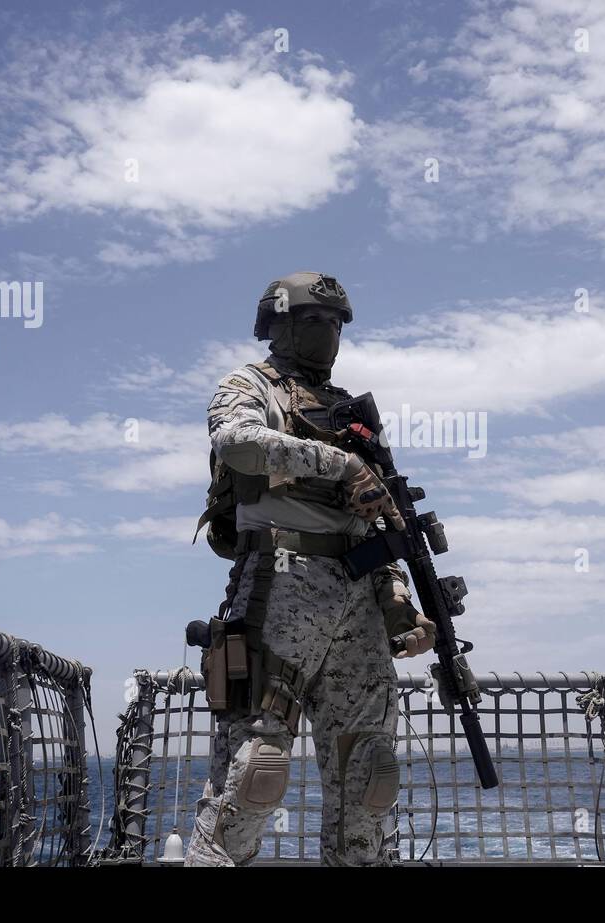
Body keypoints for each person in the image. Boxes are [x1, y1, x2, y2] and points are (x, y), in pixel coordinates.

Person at [186, 271, 436, 867]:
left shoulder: (351, 413)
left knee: (370, 778)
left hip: (357, 603)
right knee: (256, 772)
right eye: (312, 321)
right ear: (277, 325)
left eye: (334, 323)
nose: (326, 334)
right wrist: (342, 465)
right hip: (280, 584)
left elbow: (379, 526)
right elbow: (237, 442)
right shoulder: (249, 387)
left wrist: (401, 604)